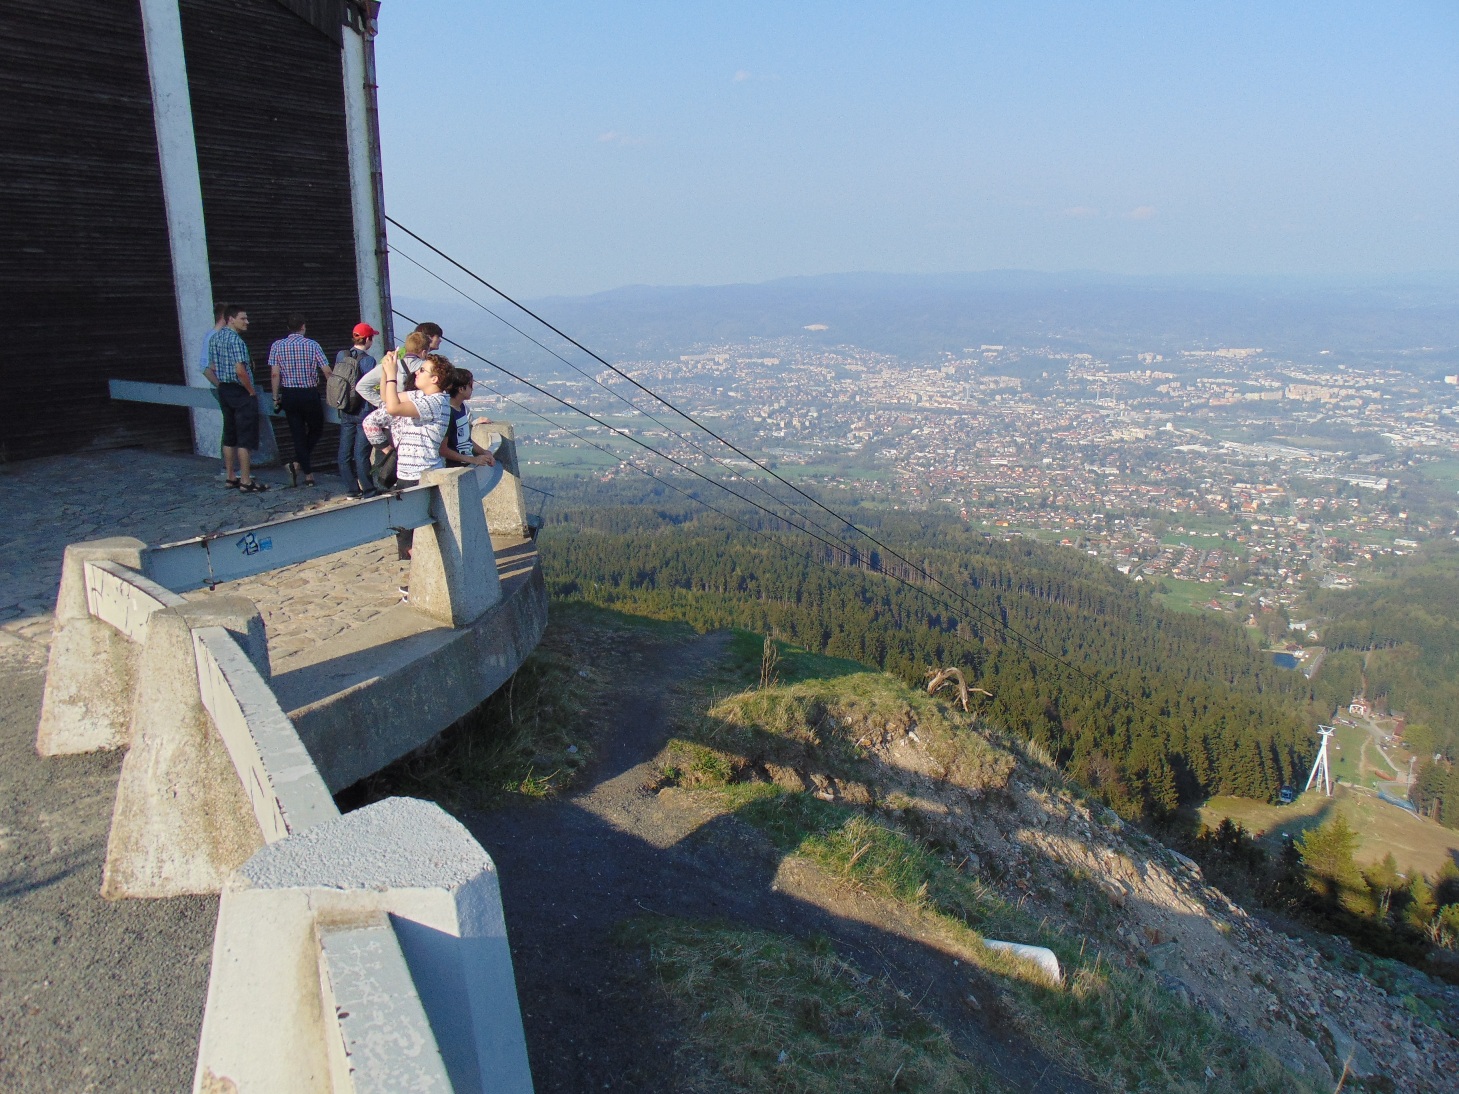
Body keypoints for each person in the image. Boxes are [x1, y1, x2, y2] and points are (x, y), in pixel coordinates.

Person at [364, 352, 454, 576]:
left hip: (420, 475)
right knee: (405, 534)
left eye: (423, 370)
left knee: (413, 535)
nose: (417, 372)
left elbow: (393, 408)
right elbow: (389, 399)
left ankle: (417, 581)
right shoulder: (421, 396)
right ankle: (416, 578)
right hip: (409, 473)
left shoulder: (435, 402)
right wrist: (387, 372)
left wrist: (393, 375)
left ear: (435, 379)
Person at [206, 305, 267, 492]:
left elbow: (211, 366)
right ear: (231, 319)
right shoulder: (237, 341)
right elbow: (240, 370)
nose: (246, 322)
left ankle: (230, 476)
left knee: (229, 435)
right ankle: (246, 480)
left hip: (224, 389)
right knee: (245, 437)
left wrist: (221, 385)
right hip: (240, 391)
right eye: (243, 318)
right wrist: (250, 391)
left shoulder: (215, 338)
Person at [268, 315, 332, 487]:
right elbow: (326, 371)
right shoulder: (312, 345)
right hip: (309, 393)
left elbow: (275, 374)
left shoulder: (277, 346)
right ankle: (300, 467)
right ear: (303, 327)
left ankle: (306, 472)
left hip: (289, 394)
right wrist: (333, 392)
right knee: (316, 430)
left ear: (288, 328)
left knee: (297, 434)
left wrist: (275, 397)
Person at [332, 322, 378, 497]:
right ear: (367, 339)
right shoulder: (368, 360)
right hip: (363, 411)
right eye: (371, 338)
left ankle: (352, 490)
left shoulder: (341, 355)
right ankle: (368, 490)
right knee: (361, 454)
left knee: (344, 452)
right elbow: (370, 385)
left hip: (345, 408)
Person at [355, 325, 438, 408]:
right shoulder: (428, 367)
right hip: (418, 411)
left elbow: (361, 386)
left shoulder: (390, 364)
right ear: (424, 352)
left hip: (396, 411)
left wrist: (382, 404)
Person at [440, 366, 495, 468]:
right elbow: (443, 449)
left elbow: (466, 440)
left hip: (466, 464)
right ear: (461, 389)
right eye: (470, 385)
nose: (472, 389)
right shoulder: (447, 413)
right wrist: (472, 459)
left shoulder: (461, 407)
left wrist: (484, 452)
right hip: (455, 468)